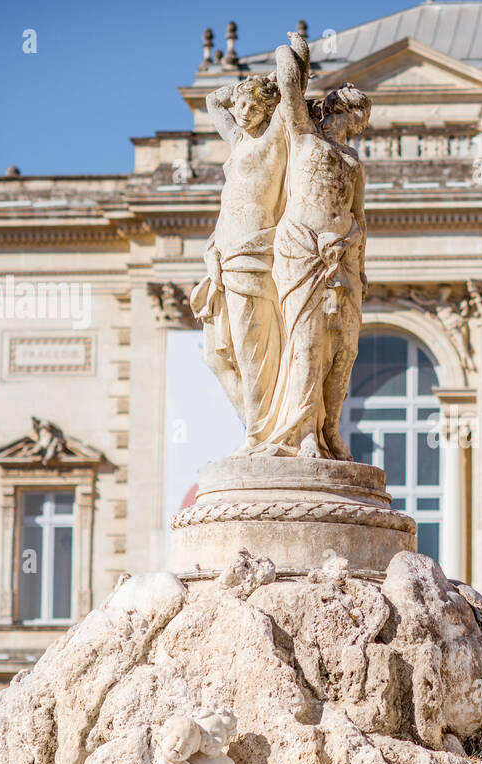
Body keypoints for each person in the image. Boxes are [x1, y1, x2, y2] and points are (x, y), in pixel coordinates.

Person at [257, 33, 371, 459]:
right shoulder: (302, 135)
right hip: (302, 249)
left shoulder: (353, 161)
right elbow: (287, 78)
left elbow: (361, 216)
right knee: (306, 340)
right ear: (342, 109)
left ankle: (330, 428)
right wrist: (298, 51)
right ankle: (303, 429)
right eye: (359, 111)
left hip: (345, 254)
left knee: (345, 348)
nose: (360, 120)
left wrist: (360, 265)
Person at [190, 72, 290, 452]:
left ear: (269, 109)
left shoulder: (273, 139)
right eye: (242, 105)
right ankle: (260, 426)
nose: (244, 112)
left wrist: (273, 84)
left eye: (253, 106)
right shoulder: (238, 140)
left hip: (252, 252)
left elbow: (292, 86)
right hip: (223, 254)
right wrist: (247, 88)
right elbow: (214, 101)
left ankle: (261, 435)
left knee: (251, 351)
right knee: (218, 355)